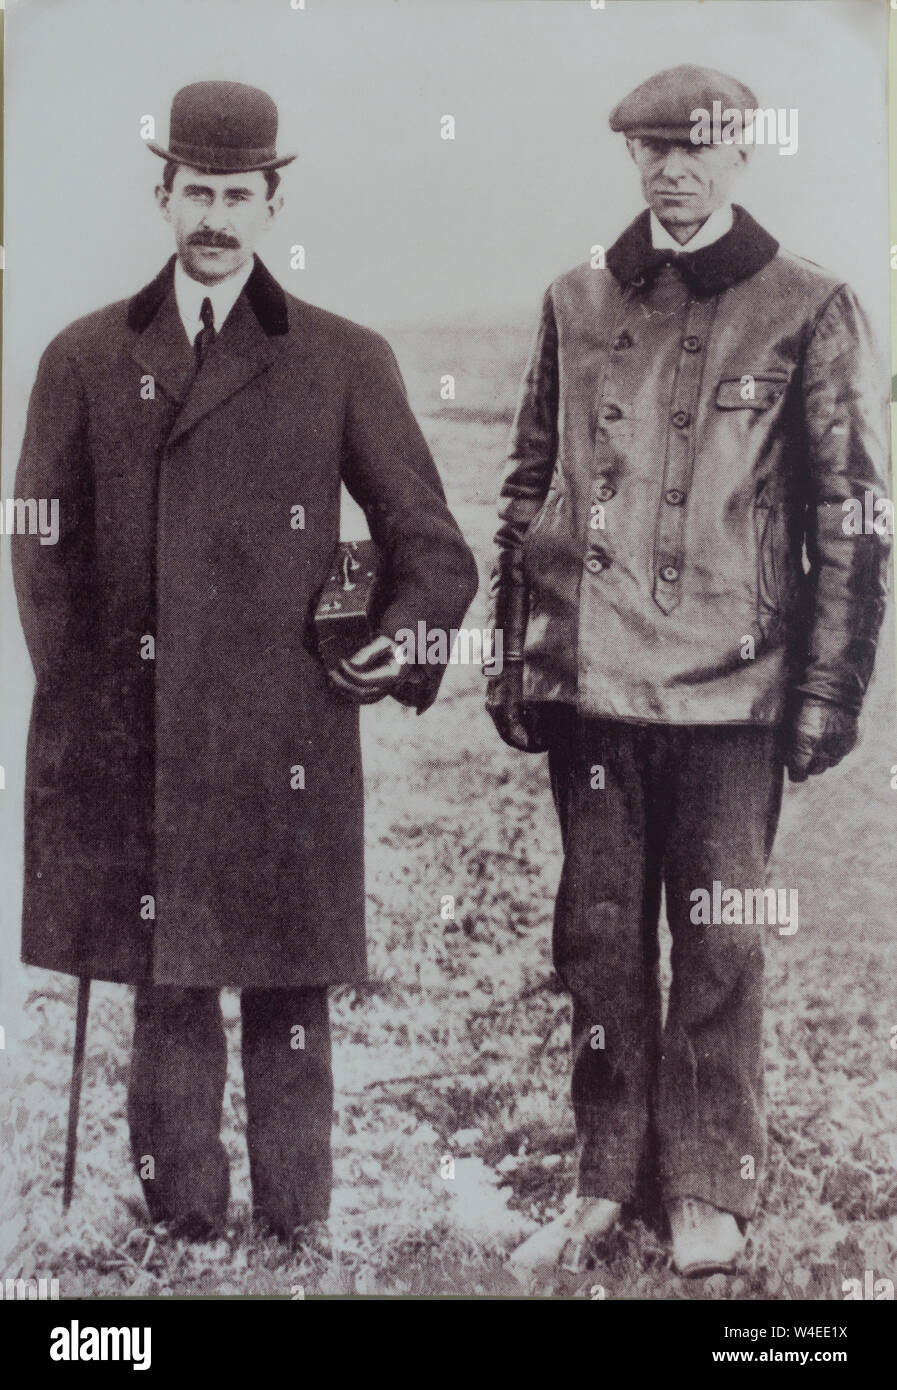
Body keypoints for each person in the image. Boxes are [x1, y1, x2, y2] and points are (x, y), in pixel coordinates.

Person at [12, 80, 478, 1242]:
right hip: (143, 728)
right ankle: (185, 1218)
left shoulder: (341, 358)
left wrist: (400, 638)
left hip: (287, 732)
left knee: (287, 981)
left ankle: (296, 1222)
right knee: (167, 976)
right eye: (196, 192)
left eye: (238, 194)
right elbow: (40, 542)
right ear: (162, 195)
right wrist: (87, 697)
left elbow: (432, 548)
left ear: (274, 203)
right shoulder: (83, 358)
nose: (215, 217)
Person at [484, 65, 890, 1282]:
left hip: (735, 692)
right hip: (595, 687)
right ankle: (606, 1175)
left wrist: (827, 689)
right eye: (653, 149)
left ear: (742, 153)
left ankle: (710, 1181)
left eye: (699, 146)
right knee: (598, 937)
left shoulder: (810, 304)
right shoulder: (576, 298)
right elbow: (528, 488)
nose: (674, 168)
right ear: (633, 158)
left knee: (720, 941)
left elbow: (853, 516)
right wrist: (518, 656)